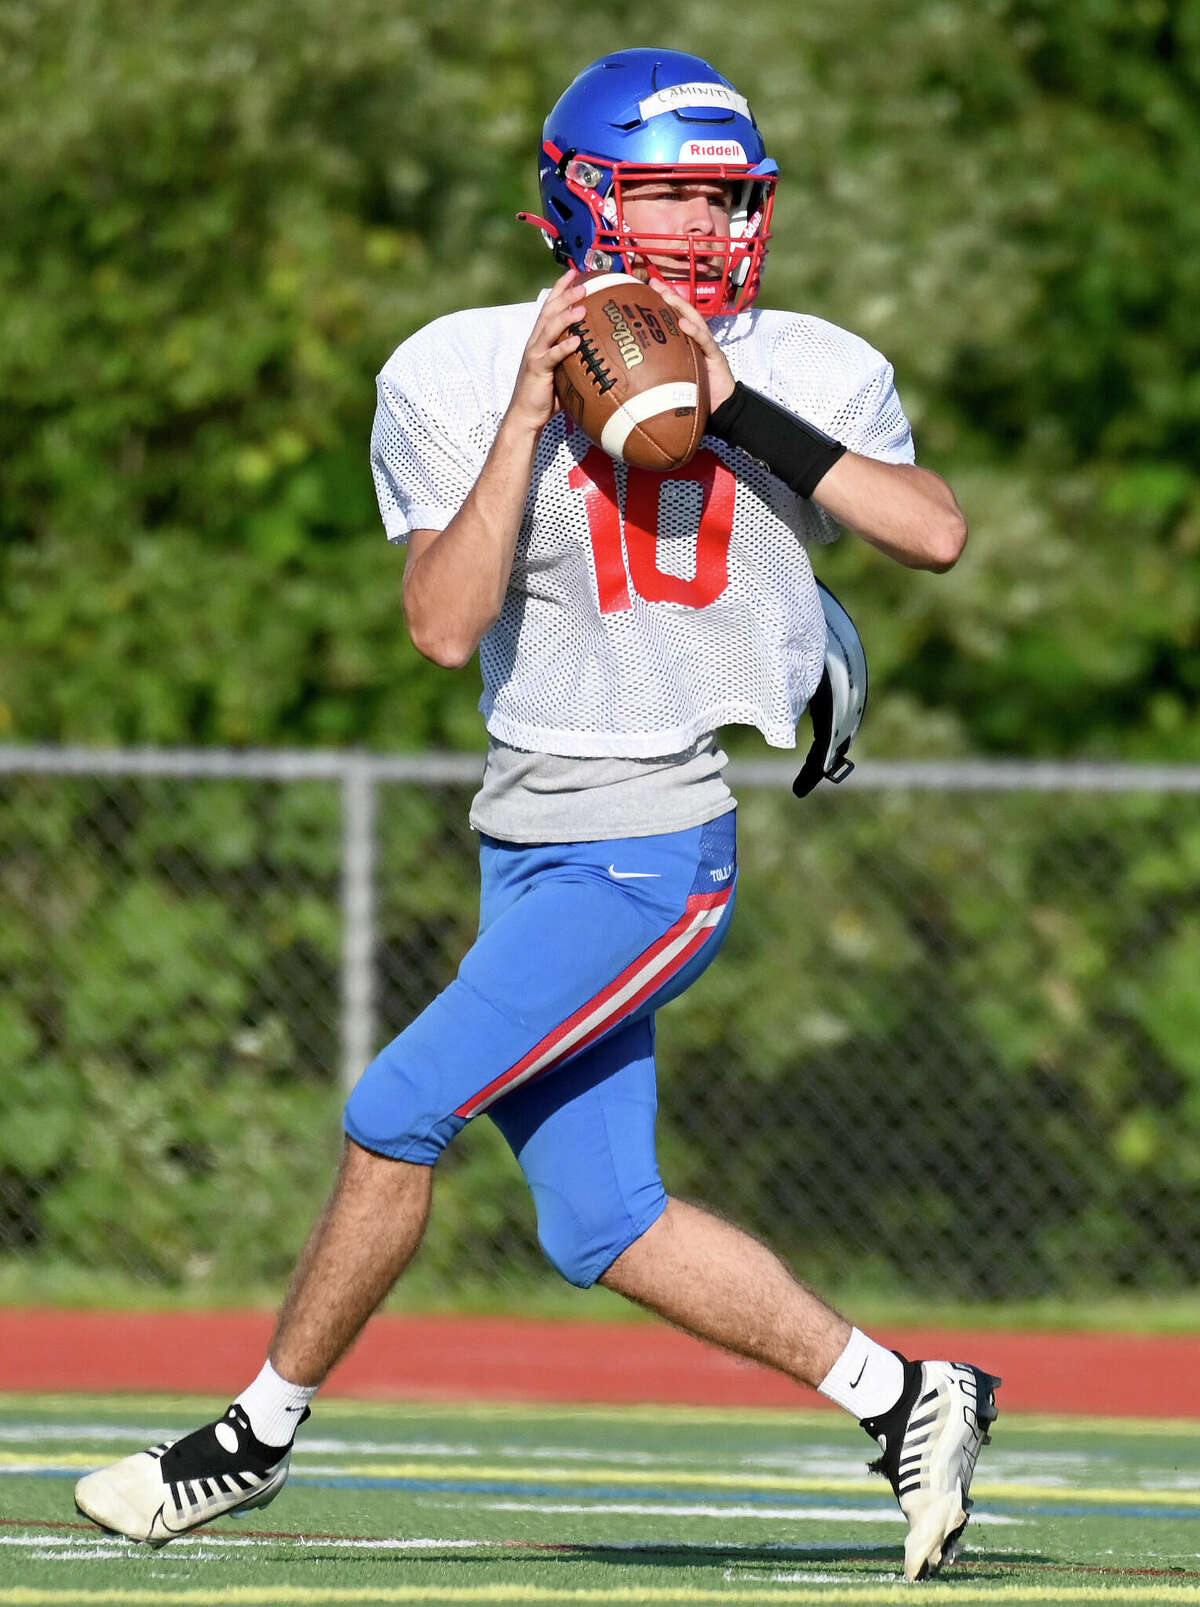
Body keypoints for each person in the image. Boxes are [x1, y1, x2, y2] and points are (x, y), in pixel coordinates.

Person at [74, 48, 998, 1582]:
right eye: (667, 192)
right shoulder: (453, 366)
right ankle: (907, 1398)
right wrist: (525, 414)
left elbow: (935, 533)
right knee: (600, 1222)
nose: (703, 226)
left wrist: (732, 404)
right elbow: (444, 627)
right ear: (579, 196)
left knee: (395, 1111)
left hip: (653, 847)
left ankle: (251, 1437)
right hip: (528, 829)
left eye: (725, 197)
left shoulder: (810, 362)